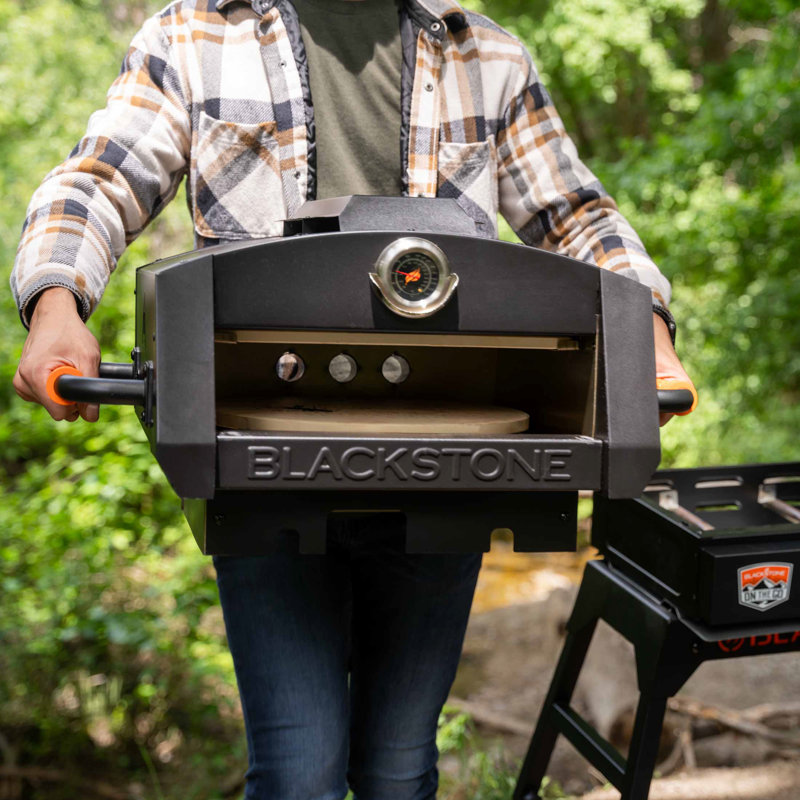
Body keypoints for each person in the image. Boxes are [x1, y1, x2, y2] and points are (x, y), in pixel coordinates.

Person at [10, 0, 695, 796]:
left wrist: (647, 326)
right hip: (264, 471)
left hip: (453, 464)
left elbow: (577, 215)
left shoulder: (486, 54)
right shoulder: (195, 34)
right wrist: (57, 301)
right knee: (300, 773)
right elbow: (99, 178)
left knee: (400, 770)